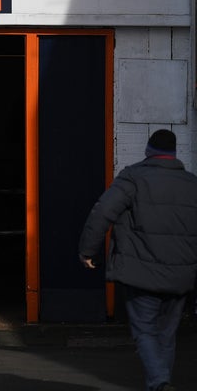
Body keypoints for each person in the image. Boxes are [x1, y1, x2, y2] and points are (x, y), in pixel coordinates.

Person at [78, 128, 197, 391]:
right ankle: (160, 383)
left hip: (140, 272)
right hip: (181, 276)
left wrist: (88, 251)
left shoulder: (133, 178)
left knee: (144, 330)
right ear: (174, 154)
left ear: (148, 150)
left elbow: (102, 212)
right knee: (166, 334)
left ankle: (159, 382)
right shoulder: (191, 184)